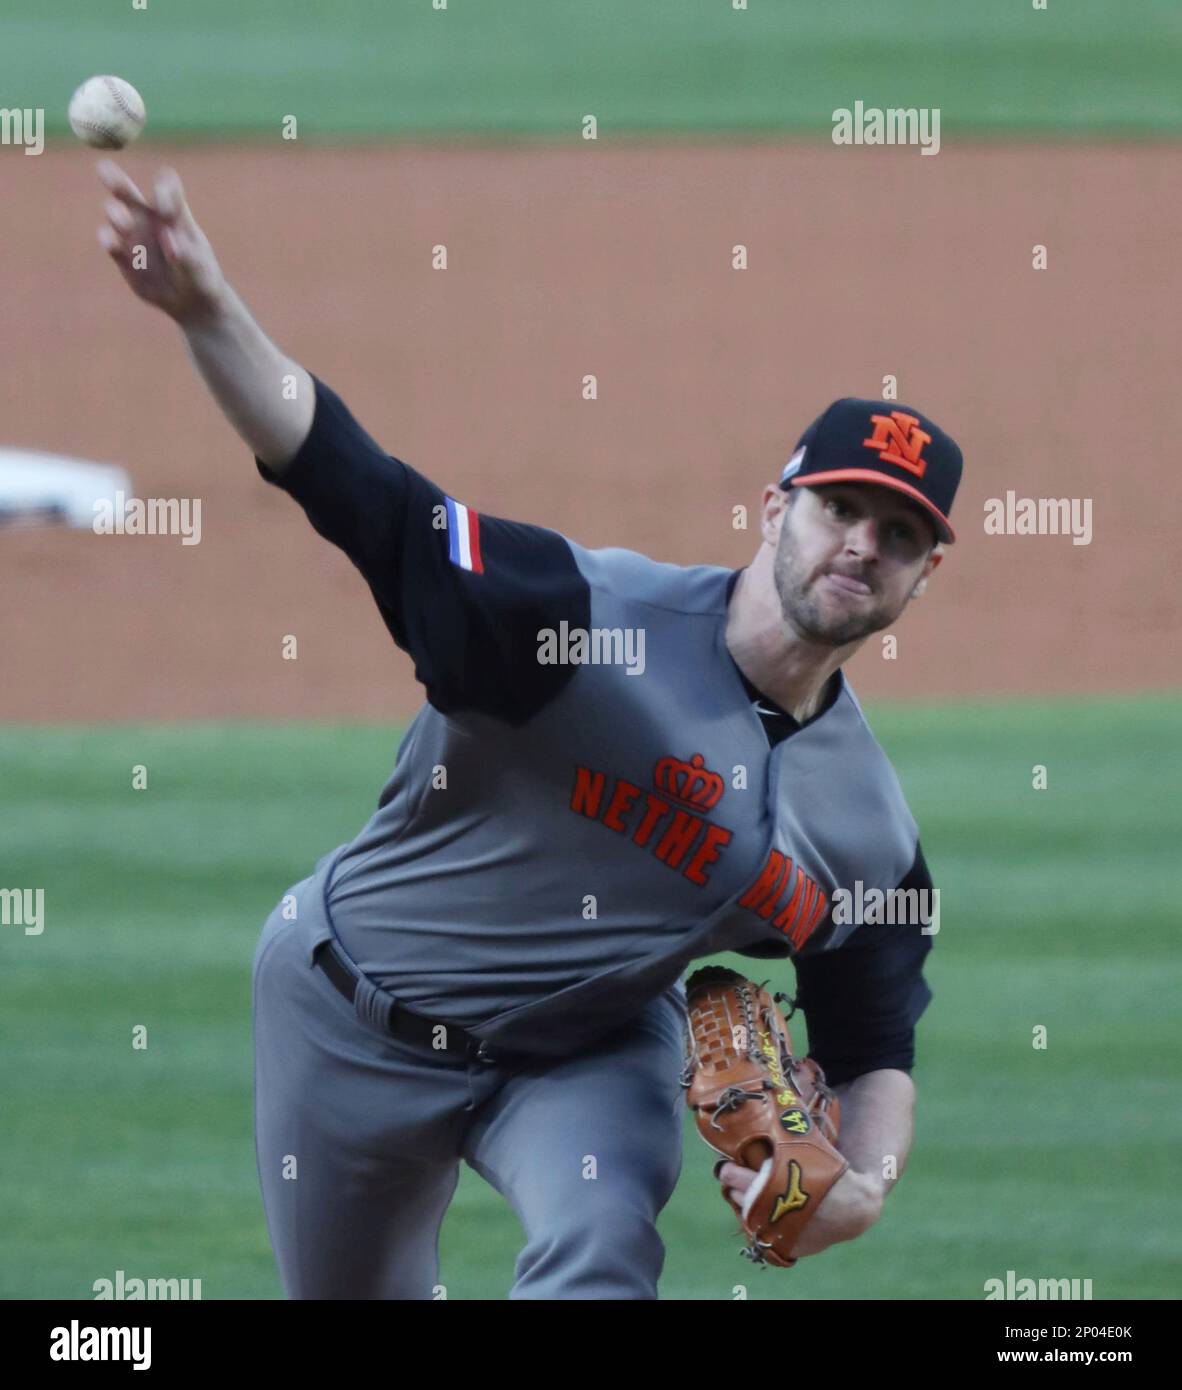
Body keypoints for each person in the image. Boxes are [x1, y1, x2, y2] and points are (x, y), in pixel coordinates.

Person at [94, 161, 961, 1299]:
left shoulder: (868, 834)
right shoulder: (571, 615)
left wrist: (866, 1178)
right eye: (839, 508)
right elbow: (357, 485)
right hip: (345, 1009)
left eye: (897, 534)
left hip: (585, 1057)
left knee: (599, 1248)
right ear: (773, 507)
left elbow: (874, 1036)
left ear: (926, 571)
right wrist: (208, 310)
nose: (860, 545)